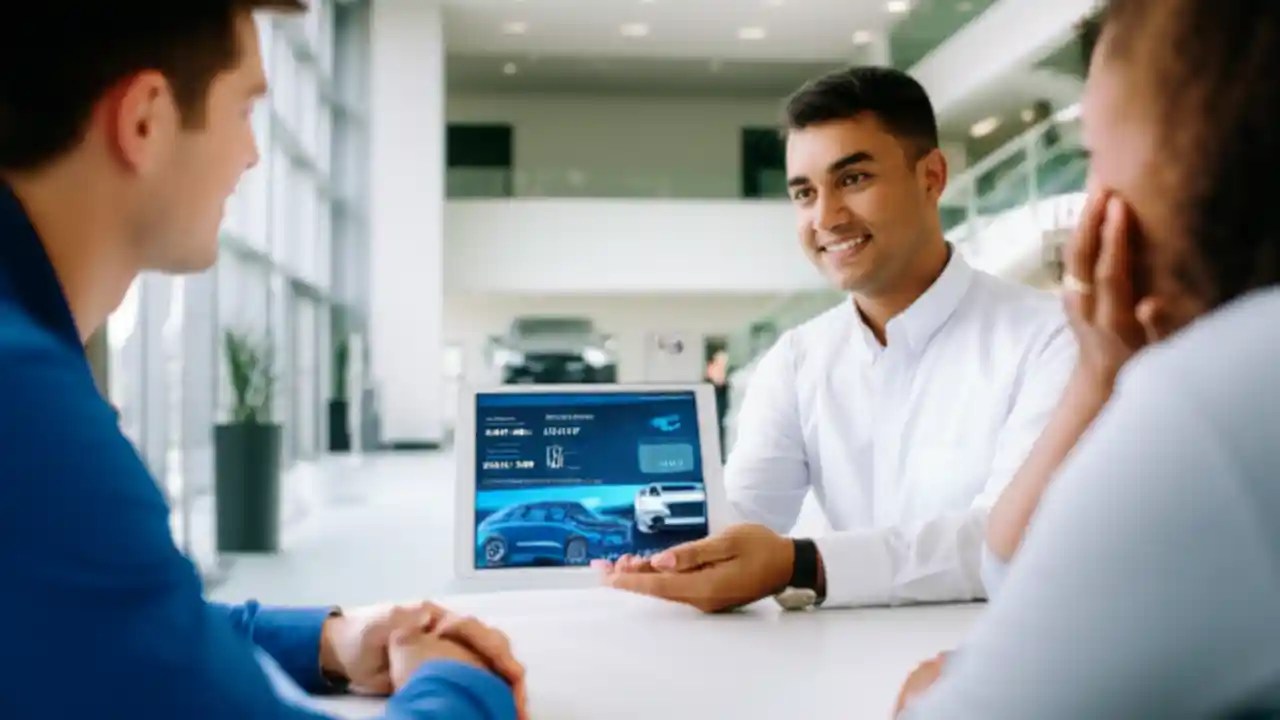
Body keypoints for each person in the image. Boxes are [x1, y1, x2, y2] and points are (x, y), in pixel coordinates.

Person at [0, 2, 526, 718]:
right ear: (146, 121)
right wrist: (459, 680)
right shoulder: (26, 410)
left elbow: (91, 623)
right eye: (245, 110)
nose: (251, 155)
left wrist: (329, 640)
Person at [896, 1, 1280, 716]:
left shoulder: (1227, 393)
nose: (1088, 208)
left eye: (1097, 156)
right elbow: (1014, 574)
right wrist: (1102, 368)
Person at [598, 67, 1076, 612]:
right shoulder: (797, 359)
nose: (825, 217)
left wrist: (803, 564)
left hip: (989, 655)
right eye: (805, 193)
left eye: (853, 179)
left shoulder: (1051, 340)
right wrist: (660, 547)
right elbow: (743, 516)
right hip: (834, 658)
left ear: (932, 177)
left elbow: (1008, 539)